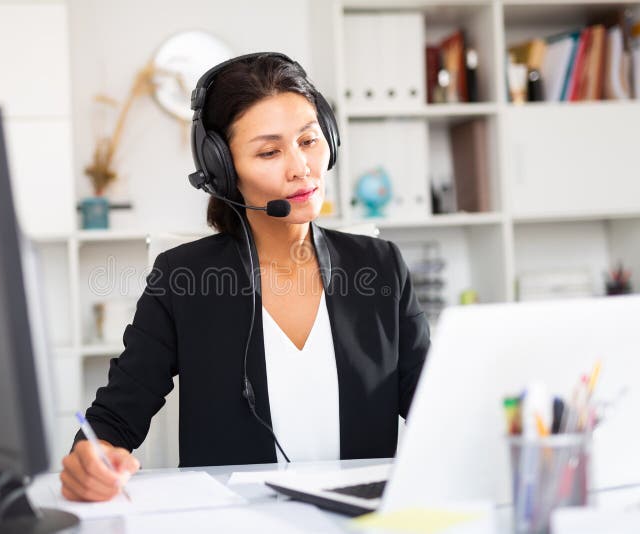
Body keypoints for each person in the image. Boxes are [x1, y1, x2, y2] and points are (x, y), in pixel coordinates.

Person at [60, 52, 431, 502]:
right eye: (270, 152)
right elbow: (115, 417)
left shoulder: (380, 267)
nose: (301, 167)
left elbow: (435, 408)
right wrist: (91, 458)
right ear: (223, 171)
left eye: (309, 140)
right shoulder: (183, 279)